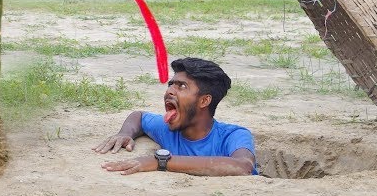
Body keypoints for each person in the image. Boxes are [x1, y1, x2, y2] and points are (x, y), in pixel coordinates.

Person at [93, 57, 256, 176]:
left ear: (204, 101)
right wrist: (125, 133)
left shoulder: (233, 135)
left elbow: (243, 166)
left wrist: (160, 161)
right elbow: (139, 116)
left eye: (182, 86)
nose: (169, 91)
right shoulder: (167, 128)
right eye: (171, 84)